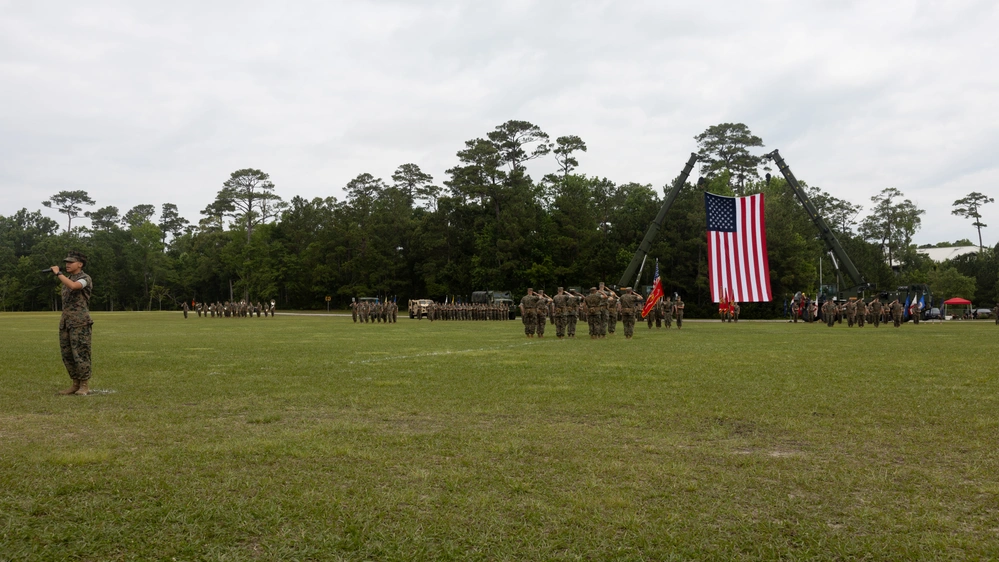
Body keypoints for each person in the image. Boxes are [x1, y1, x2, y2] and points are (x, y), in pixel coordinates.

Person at [50, 251, 94, 396]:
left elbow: (74, 286)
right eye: (66, 262)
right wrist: (62, 276)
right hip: (66, 322)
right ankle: (75, 383)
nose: (67, 265)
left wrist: (58, 274)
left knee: (80, 353)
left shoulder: (85, 278)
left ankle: (84, 385)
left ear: (80, 264)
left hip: (80, 322)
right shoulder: (67, 278)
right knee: (67, 354)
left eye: (71, 262)